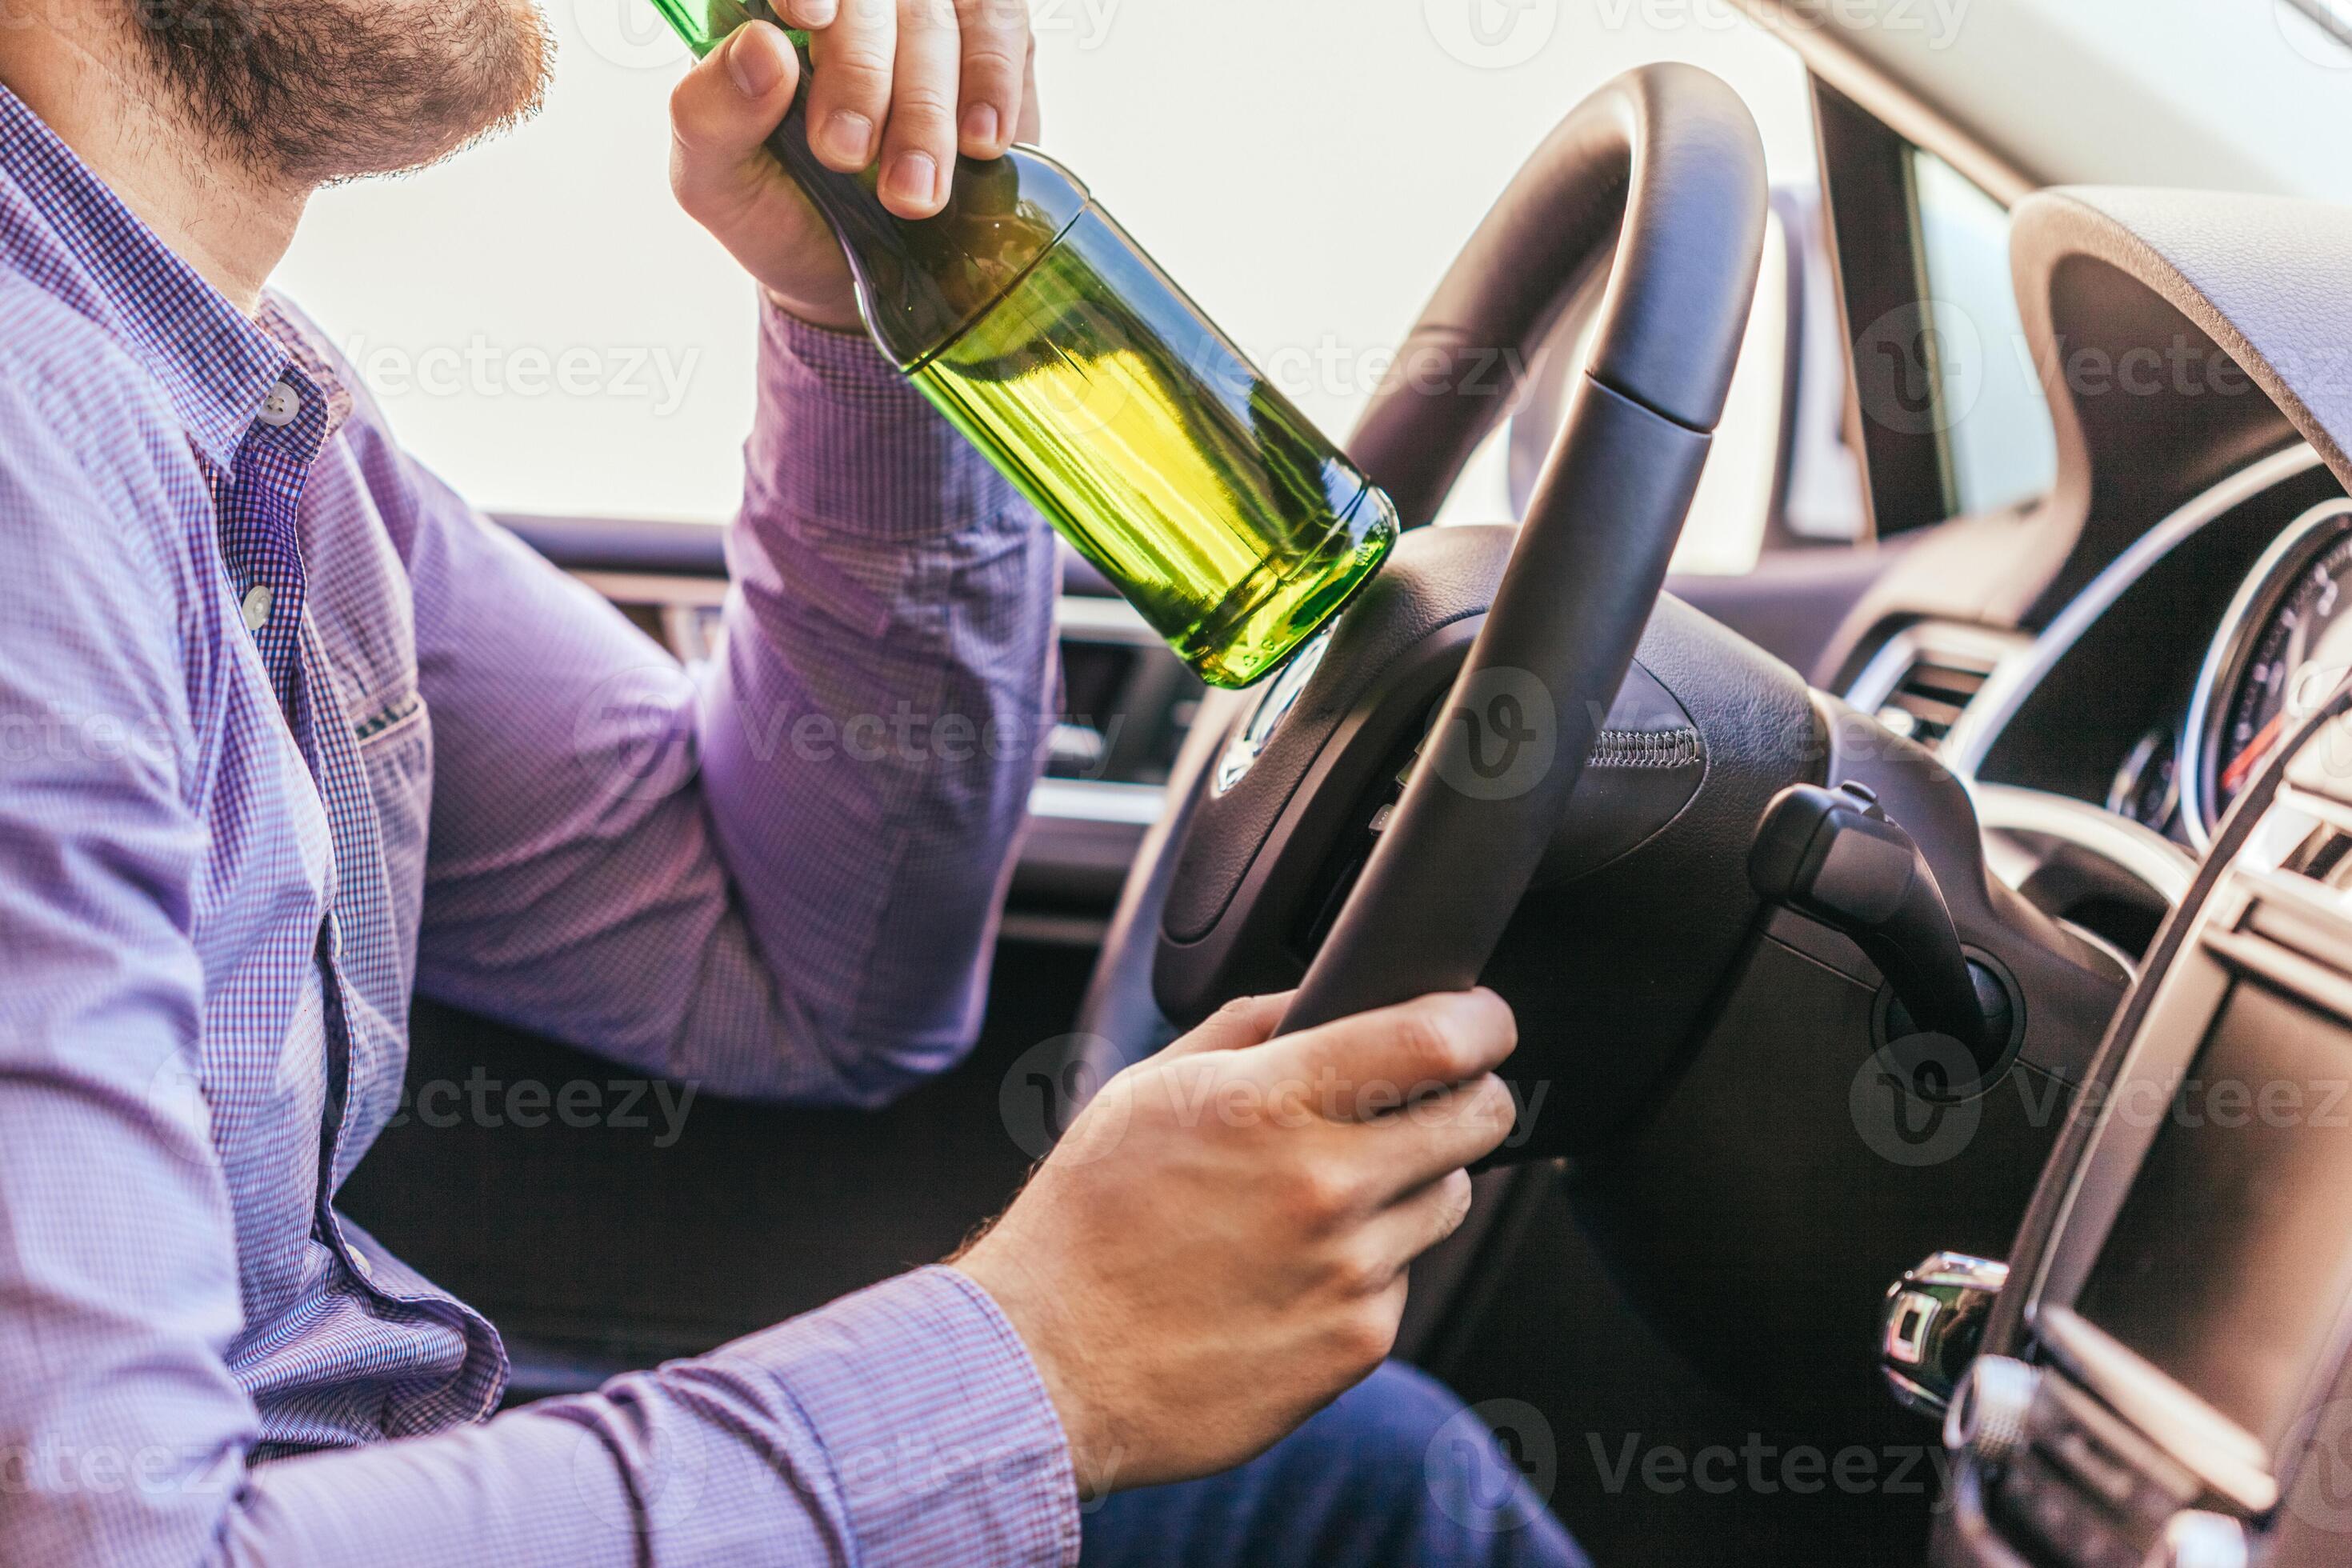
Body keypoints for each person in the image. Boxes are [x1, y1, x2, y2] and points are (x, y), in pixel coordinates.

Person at [0, 0, 1585, 1559]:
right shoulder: (33, 461)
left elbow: (805, 967)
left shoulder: (244, 419)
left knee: (1366, 1473)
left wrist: (864, 304)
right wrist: (1048, 1356)